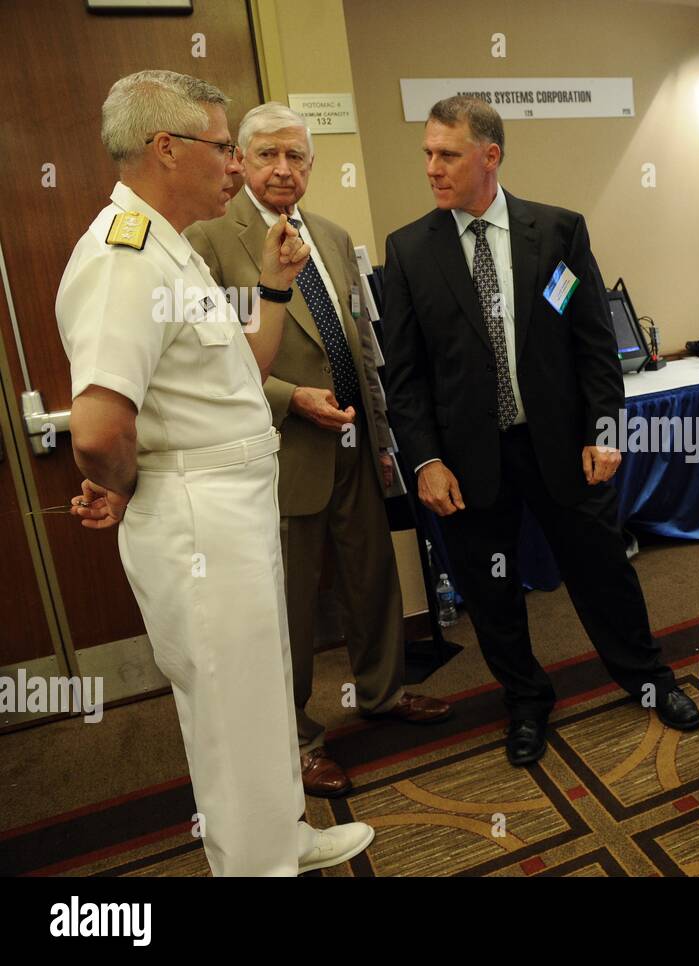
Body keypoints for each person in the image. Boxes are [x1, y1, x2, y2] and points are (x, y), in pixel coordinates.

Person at [57, 69, 372, 874]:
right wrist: (120, 486)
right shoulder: (123, 257)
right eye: (225, 147)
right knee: (228, 709)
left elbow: (236, 370)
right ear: (167, 147)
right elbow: (96, 427)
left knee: (259, 693)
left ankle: (283, 838)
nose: (237, 167)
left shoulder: (170, 248)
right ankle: (254, 866)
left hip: (232, 505)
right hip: (195, 513)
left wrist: (271, 286)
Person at [381, 96, 699, 766]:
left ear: (489, 156)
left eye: (448, 154)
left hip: (560, 448)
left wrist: (607, 431)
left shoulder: (556, 233)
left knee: (603, 572)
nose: (432, 168)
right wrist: (425, 461)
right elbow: (405, 377)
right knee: (491, 591)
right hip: (468, 461)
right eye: (426, 155)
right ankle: (525, 702)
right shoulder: (410, 251)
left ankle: (648, 680)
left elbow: (594, 349)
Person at [186, 103, 453, 799]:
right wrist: (288, 398)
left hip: (354, 443)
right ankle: (297, 740)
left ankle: (383, 691)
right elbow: (209, 359)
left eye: (297, 157)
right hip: (277, 451)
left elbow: (362, 342)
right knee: (290, 607)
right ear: (240, 160)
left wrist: (385, 436)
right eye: (269, 155)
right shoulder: (209, 242)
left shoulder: (330, 236)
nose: (284, 169)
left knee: (373, 579)